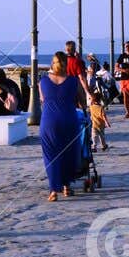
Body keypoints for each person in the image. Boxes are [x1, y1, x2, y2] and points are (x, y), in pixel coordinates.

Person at [39, 51, 87, 201]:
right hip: (69, 120)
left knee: (51, 155)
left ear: (52, 65)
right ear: (66, 64)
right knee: (68, 153)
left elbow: (42, 100)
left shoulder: (43, 82)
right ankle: (66, 187)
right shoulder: (73, 81)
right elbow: (82, 101)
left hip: (49, 122)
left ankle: (54, 190)